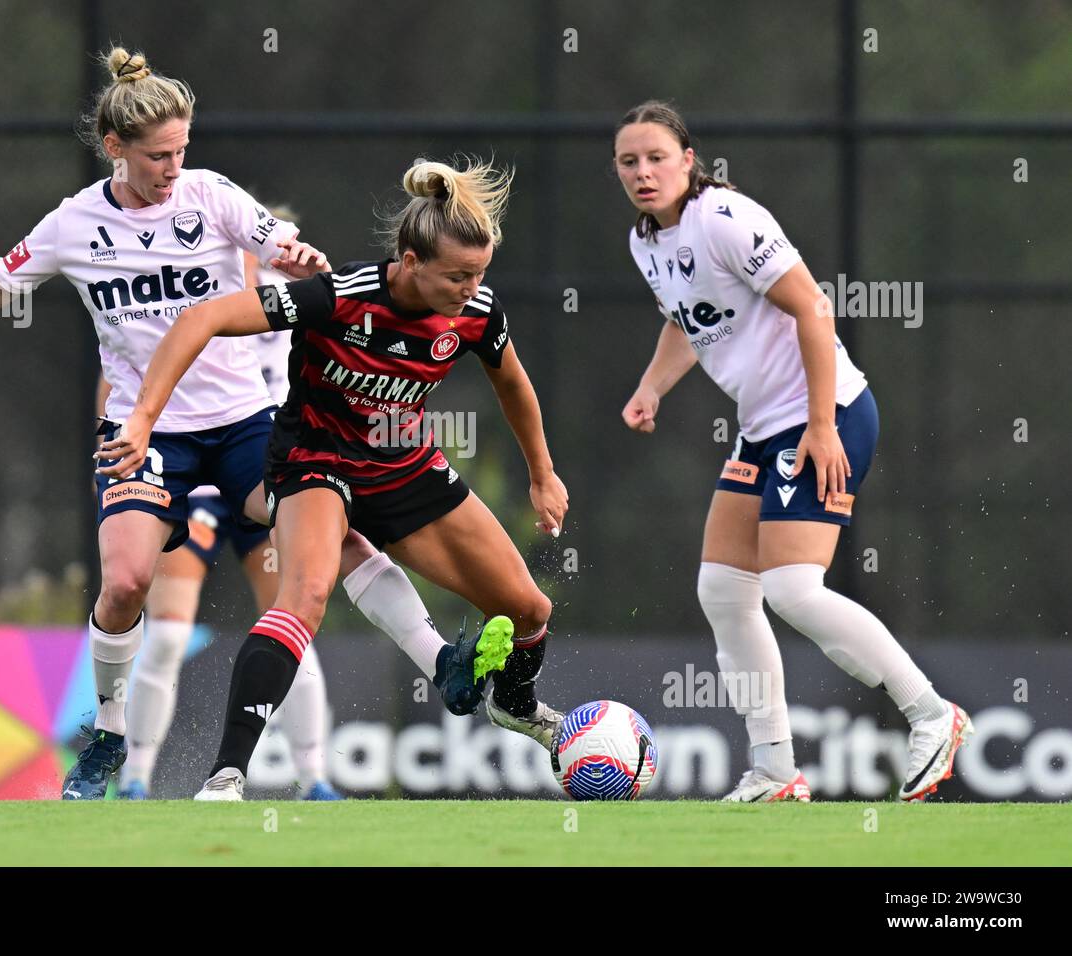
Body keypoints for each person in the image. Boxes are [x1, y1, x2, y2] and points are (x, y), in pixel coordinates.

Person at [0, 47, 501, 800]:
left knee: (333, 534)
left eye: (181, 150)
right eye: (158, 155)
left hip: (245, 425)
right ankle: (107, 733)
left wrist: (293, 257)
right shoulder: (74, 225)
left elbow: (284, 252)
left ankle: (438, 665)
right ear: (114, 149)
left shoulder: (211, 195)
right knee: (127, 581)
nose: (172, 167)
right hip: (143, 431)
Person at [99, 156, 569, 801]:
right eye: (458, 274)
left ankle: (515, 706)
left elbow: (512, 381)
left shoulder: (477, 313)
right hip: (314, 463)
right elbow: (199, 320)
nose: (471, 287)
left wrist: (542, 473)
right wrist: (145, 418)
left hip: (403, 465)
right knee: (306, 596)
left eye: (480, 273)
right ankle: (226, 776)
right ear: (409, 260)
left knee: (528, 610)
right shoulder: (336, 297)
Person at [614, 100, 971, 802]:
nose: (644, 172)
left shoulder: (725, 219)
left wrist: (820, 425)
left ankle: (933, 714)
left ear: (688, 160)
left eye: (657, 157)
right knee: (722, 589)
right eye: (629, 161)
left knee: (793, 591)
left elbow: (812, 307)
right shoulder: (646, 241)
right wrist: (651, 388)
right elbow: (691, 322)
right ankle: (775, 770)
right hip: (765, 426)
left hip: (827, 412)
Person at [115, 235, 341, 800]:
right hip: (190, 471)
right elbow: (118, 387)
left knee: (292, 618)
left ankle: (313, 778)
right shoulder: (173, 295)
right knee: (167, 633)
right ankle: (136, 779)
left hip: (263, 466)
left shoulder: (292, 295)